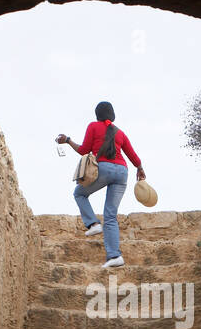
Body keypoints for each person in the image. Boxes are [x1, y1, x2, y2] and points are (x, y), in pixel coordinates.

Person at [57, 101, 146, 268]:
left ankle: (93, 223)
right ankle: (114, 256)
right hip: (122, 172)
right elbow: (133, 155)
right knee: (111, 215)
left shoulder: (93, 126)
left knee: (79, 193)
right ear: (112, 115)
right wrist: (140, 168)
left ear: (97, 114)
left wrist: (68, 140)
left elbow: (84, 150)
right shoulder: (120, 133)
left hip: (103, 169)